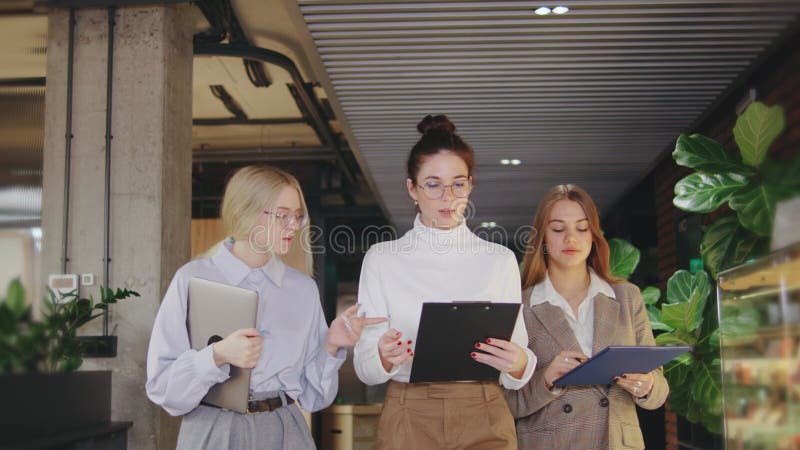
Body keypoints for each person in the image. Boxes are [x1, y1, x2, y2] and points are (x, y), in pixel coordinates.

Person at [146, 165, 385, 449]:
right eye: (283, 215)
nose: (294, 226)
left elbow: (313, 398)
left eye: (297, 216)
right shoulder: (192, 279)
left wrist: (331, 346)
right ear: (246, 211)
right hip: (213, 429)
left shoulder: (302, 290)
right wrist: (217, 354)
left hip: (285, 432)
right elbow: (163, 388)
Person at [353, 115, 537, 450]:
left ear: (471, 185)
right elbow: (366, 368)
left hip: (484, 409)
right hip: (408, 411)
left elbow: (520, 359)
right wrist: (382, 356)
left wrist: (518, 362)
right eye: (433, 184)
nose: (447, 196)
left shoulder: (499, 260)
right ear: (412, 188)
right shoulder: (382, 259)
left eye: (458, 183)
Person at [505, 184, 669, 449]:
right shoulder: (520, 305)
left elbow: (659, 389)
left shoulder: (627, 296)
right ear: (542, 238)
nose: (571, 238)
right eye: (558, 229)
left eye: (582, 228)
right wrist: (547, 380)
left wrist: (646, 386)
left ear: (593, 236)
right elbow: (506, 402)